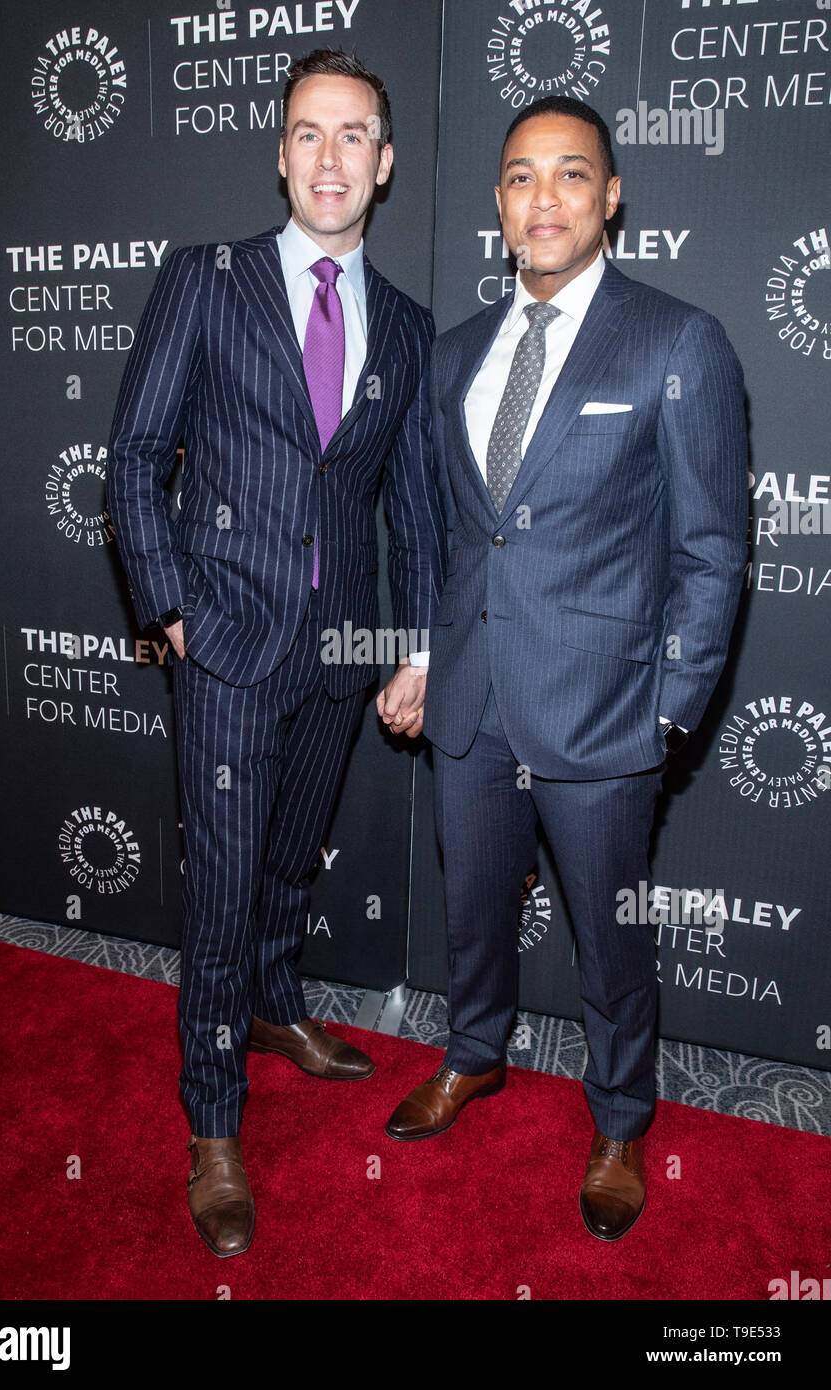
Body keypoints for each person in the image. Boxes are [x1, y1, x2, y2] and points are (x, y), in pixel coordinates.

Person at [384, 97, 748, 1242]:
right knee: (475, 907)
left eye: (571, 176)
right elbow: (455, 537)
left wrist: (670, 714)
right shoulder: (455, 357)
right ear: (497, 203)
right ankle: (475, 1055)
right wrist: (425, 656)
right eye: (521, 178)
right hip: (473, 699)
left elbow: (711, 549)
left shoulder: (677, 341)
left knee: (609, 932)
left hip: (604, 714)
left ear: (612, 196)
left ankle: (623, 1115)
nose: (544, 200)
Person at [108, 48, 444, 1258]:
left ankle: (274, 1004)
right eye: (309, 132)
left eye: (355, 135)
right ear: (280, 150)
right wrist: (171, 606)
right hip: (228, 642)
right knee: (224, 879)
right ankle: (212, 1121)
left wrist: (414, 647)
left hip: (341, 649)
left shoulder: (404, 327)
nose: (331, 157)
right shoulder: (208, 280)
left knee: (292, 857)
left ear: (386, 162)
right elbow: (135, 455)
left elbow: (412, 509)